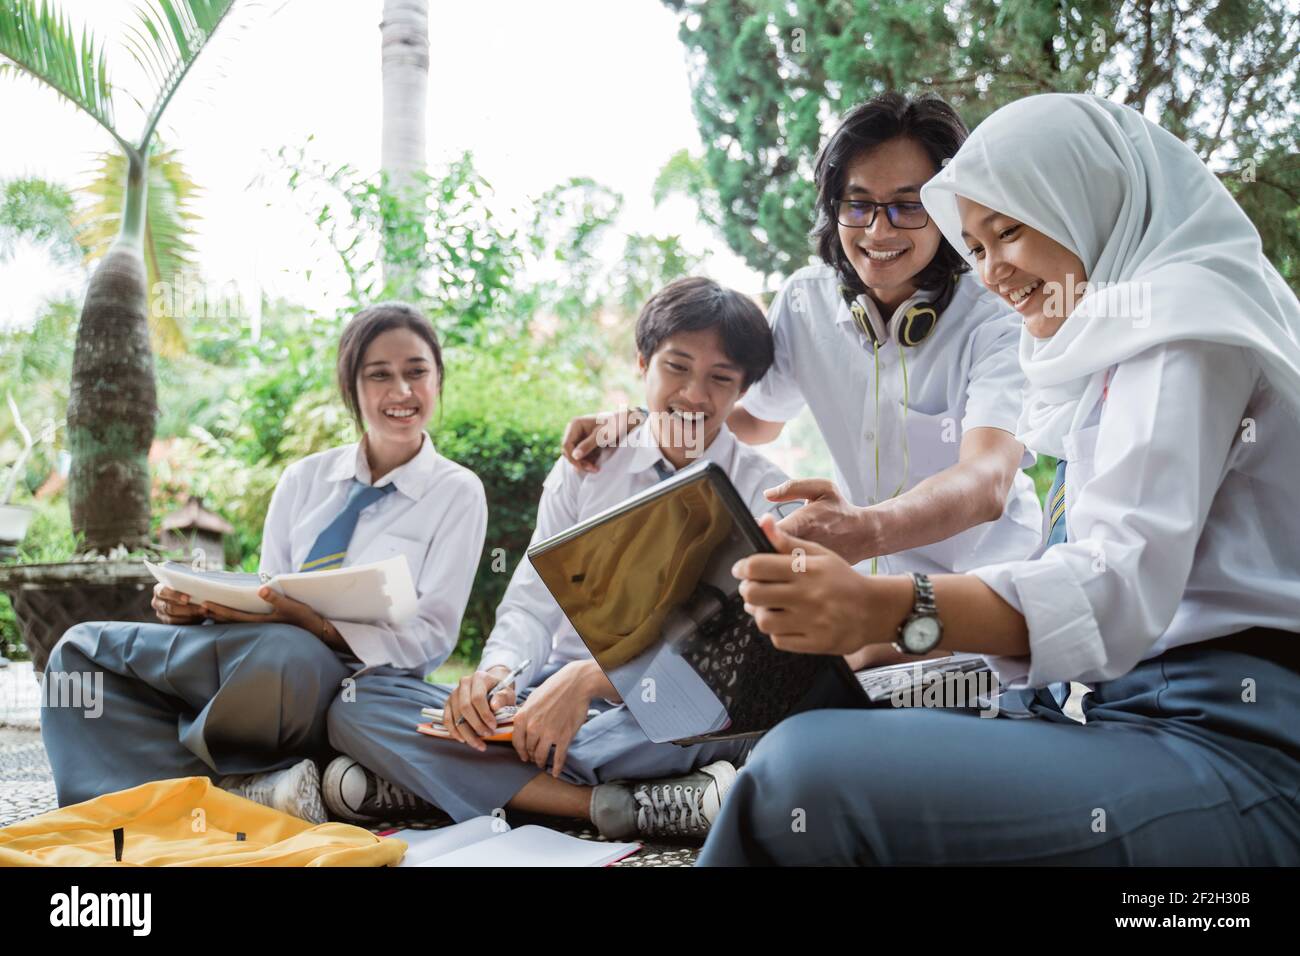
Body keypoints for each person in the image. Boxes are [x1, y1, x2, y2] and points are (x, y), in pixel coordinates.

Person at [699, 93, 1300, 865]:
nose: (993, 271)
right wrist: (903, 640)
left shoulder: (1183, 329)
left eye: (1009, 229)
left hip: (1225, 742)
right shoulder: (1095, 354)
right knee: (821, 725)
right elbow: (745, 412)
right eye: (976, 246)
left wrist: (889, 607)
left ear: (1088, 195)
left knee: (801, 775)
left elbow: (1109, 578)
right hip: (1097, 707)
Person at [562, 92, 1041, 671]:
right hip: (859, 615)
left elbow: (987, 480)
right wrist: (643, 421)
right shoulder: (805, 301)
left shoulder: (997, 315)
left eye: (907, 206)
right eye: (857, 204)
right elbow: (749, 421)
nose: (878, 229)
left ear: (948, 209)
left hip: (977, 616)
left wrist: (862, 530)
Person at [324, 277, 789, 841]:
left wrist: (590, 680)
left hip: (653, 711)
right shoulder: (590, 464)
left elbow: (728, 653)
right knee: (360, 702)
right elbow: (533, 600)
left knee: (744, 722)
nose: (694, 394)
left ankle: (429, 777)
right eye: (677, 367)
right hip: (540, 693)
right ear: (643, 363)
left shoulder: (765, 497)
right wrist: (500, 674)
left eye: (721, 379)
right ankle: (600, 803)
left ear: (742, 391)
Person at [40, 302, 488, 823]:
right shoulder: (304, 479)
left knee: (282, 653)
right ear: (352, 387)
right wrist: (198, 606)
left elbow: (431, 635)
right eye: (379, 375)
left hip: (342, 677)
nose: (402, 392)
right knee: (79, 655)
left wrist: (315, 625)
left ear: (437, 379)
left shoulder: (457, 492)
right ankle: (234, 789)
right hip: (256, 652)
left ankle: (197, 782)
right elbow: (266, 587)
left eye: (417, 372)